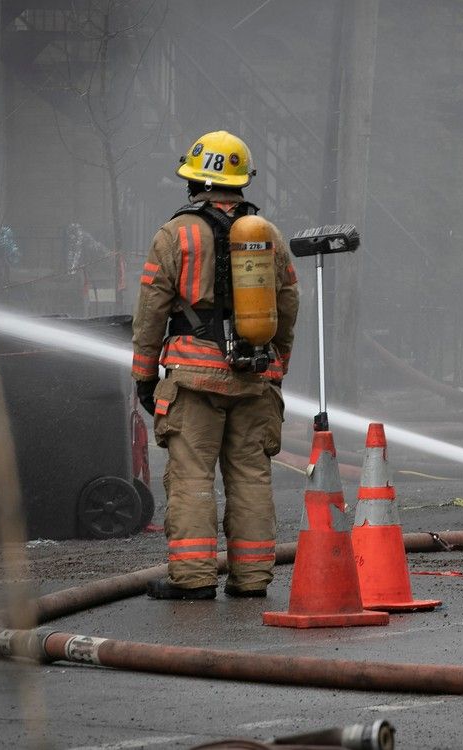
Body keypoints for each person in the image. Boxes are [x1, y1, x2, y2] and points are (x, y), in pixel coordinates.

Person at [132, 130, 300, 599]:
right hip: (255, 379)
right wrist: (276, 364)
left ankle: (194, 578)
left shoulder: (175, 235)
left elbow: (150, 313)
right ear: (242, 181)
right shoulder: (267, 235)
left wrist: (145, 376)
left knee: (191, 478)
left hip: (193, 380)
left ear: (194, 183)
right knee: (250, 478)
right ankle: (251, 580)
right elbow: (287, 304)